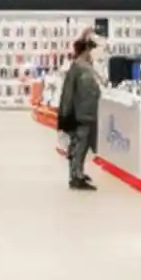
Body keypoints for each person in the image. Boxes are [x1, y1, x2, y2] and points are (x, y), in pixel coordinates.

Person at [58, 35, 102, 191]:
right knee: (80, 145)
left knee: (79, 144)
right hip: (82, 113)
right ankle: (76, 175)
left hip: (83, 112)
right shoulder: (80, 68)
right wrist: (66, 114)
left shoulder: (81, 67)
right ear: (87, 50)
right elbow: (72, 93)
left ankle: (77, 172)